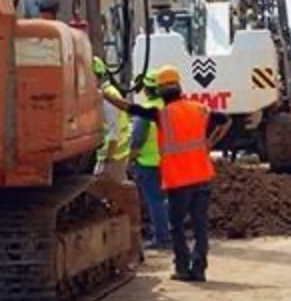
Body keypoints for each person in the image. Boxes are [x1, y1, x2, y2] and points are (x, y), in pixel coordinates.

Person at [105, 65, 232, 282]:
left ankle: (182, 268)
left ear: (161, 92)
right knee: (200, 227)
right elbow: (226, 120)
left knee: (177, 227)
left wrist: (105, 95)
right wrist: (211, 142)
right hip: (201, 177)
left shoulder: (162, 115)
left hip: (179, 180)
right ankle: (199, 269)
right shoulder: (200, 109)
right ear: (180, 87)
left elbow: (130, 108)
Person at [130, 70, 170, 250]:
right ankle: (171, 232)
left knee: (155, 201)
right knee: (168, 200)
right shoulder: (169, 108)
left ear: (146, 89)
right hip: (169, 162)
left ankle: (161, 237)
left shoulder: (145, 112)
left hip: (148, 163)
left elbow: (137, 140)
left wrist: (130, 158)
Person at [92, 57, 131, 184]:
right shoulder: (106, 93)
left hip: (114, 157)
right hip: (115, 154)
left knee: (113, 190)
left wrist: (107, 161)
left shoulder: (107, 97)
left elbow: (114, 132)